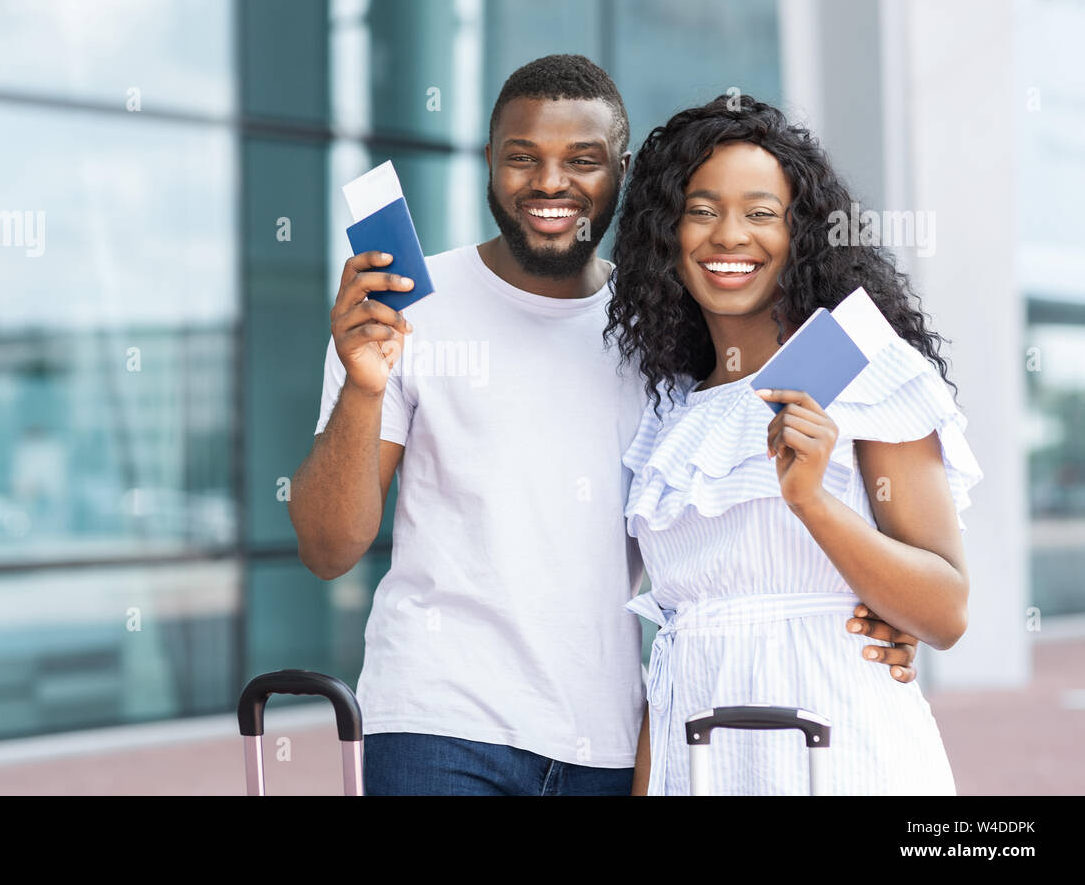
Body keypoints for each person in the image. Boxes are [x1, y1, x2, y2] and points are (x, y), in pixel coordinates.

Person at [290, 56, 918, 796]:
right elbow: (329, 549)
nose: (550, 183)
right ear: (490, 164)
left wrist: (879, 607)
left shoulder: (668, 329)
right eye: (522, 158)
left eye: (581, 160)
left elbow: (728, 511)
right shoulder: (404, 311)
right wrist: (364, 388)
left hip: (613, 738)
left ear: (620, 173)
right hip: (440, 725)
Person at [606, 94, 984, 795]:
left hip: (841, 756)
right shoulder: (670, 413)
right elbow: (680, 639)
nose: (729, 235)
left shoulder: (864, 377)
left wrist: (812, 502)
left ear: (800, 233)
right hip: (700, 761)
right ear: (665, 232)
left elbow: (945, 611)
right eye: (700, 209)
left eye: (760, 212)